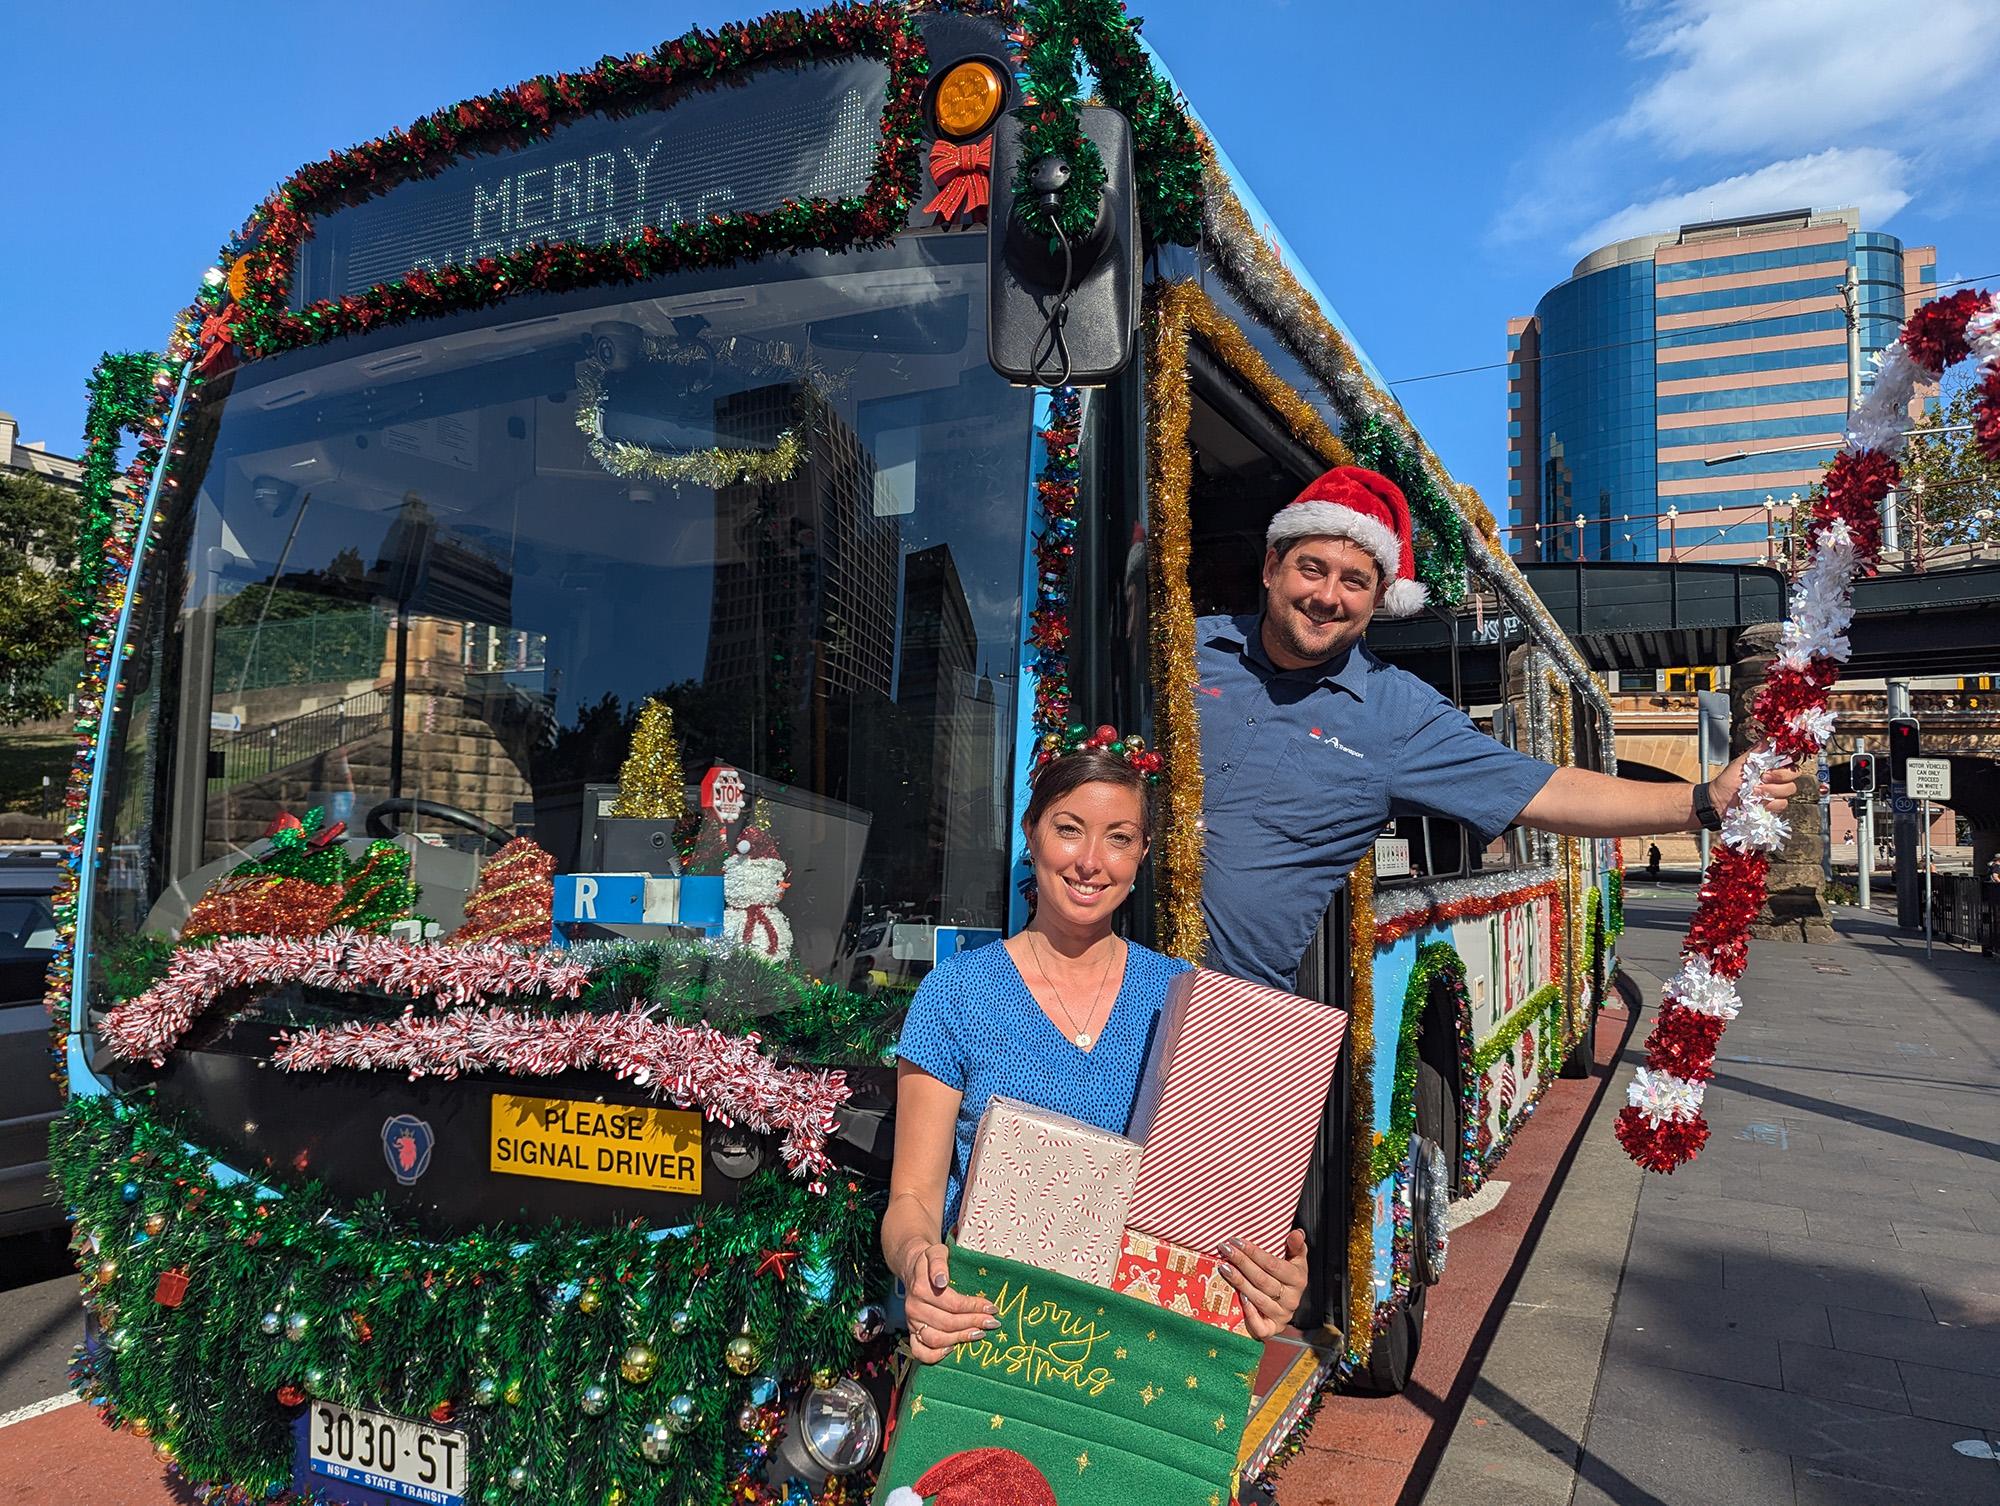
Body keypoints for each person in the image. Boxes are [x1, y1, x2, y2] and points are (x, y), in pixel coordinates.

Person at [1198, 465, 1801, 990]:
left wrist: (1706, 798)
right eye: (1312, 569)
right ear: (1273, 566)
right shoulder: (1182, 646)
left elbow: (1545, 790)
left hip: (1226, 1004)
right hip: (1106, 964)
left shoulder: (1398, 714)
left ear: (1380, 595)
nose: (1328, 596)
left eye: (1354, 581)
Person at [883, 735, 1311, 1362]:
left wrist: (1269, 1283)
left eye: (1118, 837)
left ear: (1141, 856)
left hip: (1142, 1354)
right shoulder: (956, 993)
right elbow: (912, 1200)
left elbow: (1221, 1201)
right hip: (989, 1335)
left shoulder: (1186, 1000)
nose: (1090, 861)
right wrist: (919, 1263)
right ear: (1032, 835)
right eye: (1069, 829)